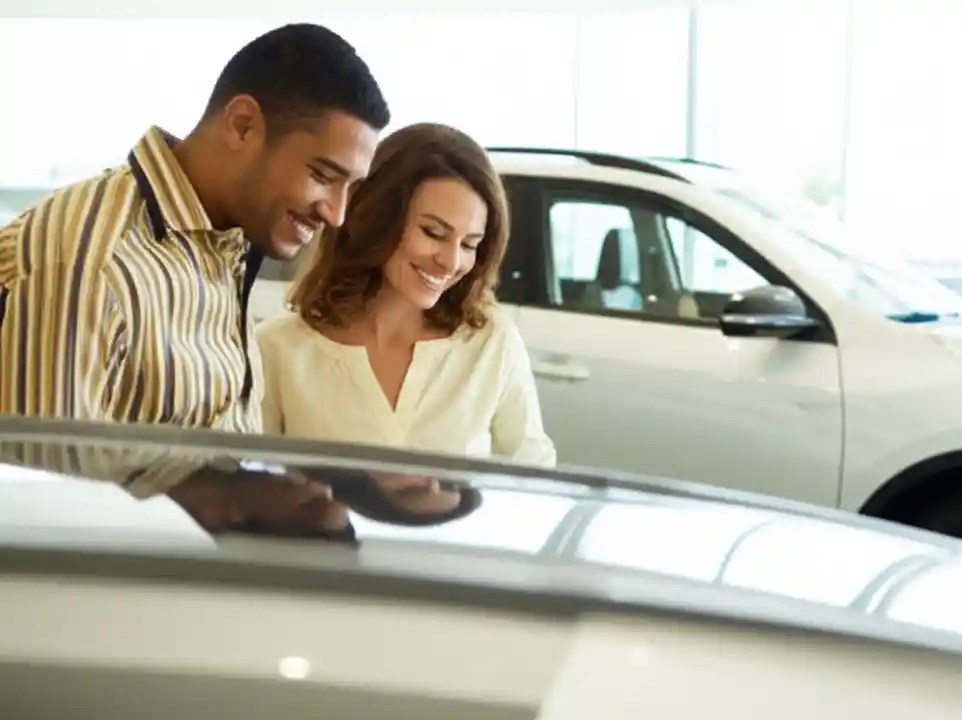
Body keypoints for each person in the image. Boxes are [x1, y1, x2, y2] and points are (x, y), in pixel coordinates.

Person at [0, 22, 390, 433]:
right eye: (323, 175)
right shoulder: (85, 264)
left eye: (351, 186)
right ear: (242, 125)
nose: (336, 214)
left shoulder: (227, 243)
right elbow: (47, 487)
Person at [256, 123, 556, 468]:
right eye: (433, 232)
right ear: (375, 218)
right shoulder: (279, 349)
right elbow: (256, 489)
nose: (451, 261)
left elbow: (536, 471)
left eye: (470, 244)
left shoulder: (491, 341)